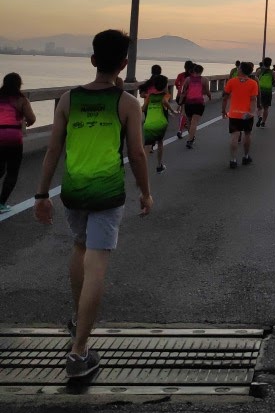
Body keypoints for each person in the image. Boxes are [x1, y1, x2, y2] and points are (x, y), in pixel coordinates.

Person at [34, 30, 152, 378]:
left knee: (80, 247)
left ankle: (78, 320)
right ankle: (79, 352)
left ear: (92, 59)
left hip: (73, 191)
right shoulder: (128, 103)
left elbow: (53, 150)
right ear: (124, 64)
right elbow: (137, 153)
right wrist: (145, 192)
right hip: (106, 193)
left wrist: (41, 194)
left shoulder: (68, 100)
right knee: (98, 263)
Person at [0, 72, 36, 212]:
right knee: (12, 172)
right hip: (14, 140)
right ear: (18, 84)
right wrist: (25, 121)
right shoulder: (21, 100)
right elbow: (31, 119)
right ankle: (1, 203)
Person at [221, 61, 260, 168]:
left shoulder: (232, 81)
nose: (237, 69)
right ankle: (246, 156)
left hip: (234, 114)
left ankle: (233, 160)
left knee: (234, 136)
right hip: (247, 115)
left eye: (239, 68)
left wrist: (223, 110)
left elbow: (225, 98)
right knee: (247, 135)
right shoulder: (253, 83)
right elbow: (253, 100)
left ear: (241, 70)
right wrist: (251, 112)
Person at [142, 74, 175, 173]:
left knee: (147, 145)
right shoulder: (165, 96)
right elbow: (165, 102)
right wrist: (172, 111)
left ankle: (142, 167)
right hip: (160, 124)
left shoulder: (149, 96)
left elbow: (143, 109)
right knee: (160, 142)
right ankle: (159, 165)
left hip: (148, 123)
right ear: (165, 85)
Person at [179, 64, 211, 148]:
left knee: (190, 121)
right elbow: (207, 91)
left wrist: (180, 102)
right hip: (199, 103)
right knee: (194, 122)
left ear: (193, 71)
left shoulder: (188, 79)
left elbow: (183, 91)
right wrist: (210, 97)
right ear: (201, 71)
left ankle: (191, 137)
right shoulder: (204, 80)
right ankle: (190, 140)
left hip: (188, 103)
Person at [174, 60, 194, 139]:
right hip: (188, 97)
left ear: (184, 67)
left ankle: (182, 126)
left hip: (179, 96)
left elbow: (176, 83)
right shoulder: (193, 76)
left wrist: (179, 88)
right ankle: (181, 130)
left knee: (183, 112)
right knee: (186, 113)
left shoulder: (180, 75)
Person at [255, 58, 275, 128]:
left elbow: (255, 80)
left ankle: (260, 116)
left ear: (263, 63)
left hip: (260, 90)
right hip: (268, 91)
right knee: (266, 108)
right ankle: (263, 122)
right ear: (270, 63)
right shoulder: (272, 72)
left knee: (259, 106)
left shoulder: (259, 71)